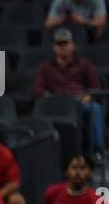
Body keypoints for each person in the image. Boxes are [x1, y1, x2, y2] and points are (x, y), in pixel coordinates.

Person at [33, 28, 105, 160]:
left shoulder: (84, 64)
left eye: (66, 44)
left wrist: (86, 98)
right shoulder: (46, 67)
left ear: (73, 45)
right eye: (59, 44)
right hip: (56, 105)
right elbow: (38, 89)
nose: (63, 47)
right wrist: (48, 98)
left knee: (94, 109)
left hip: (78, 103)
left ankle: (96, 150)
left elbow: (95, 88)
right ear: (54, 47)